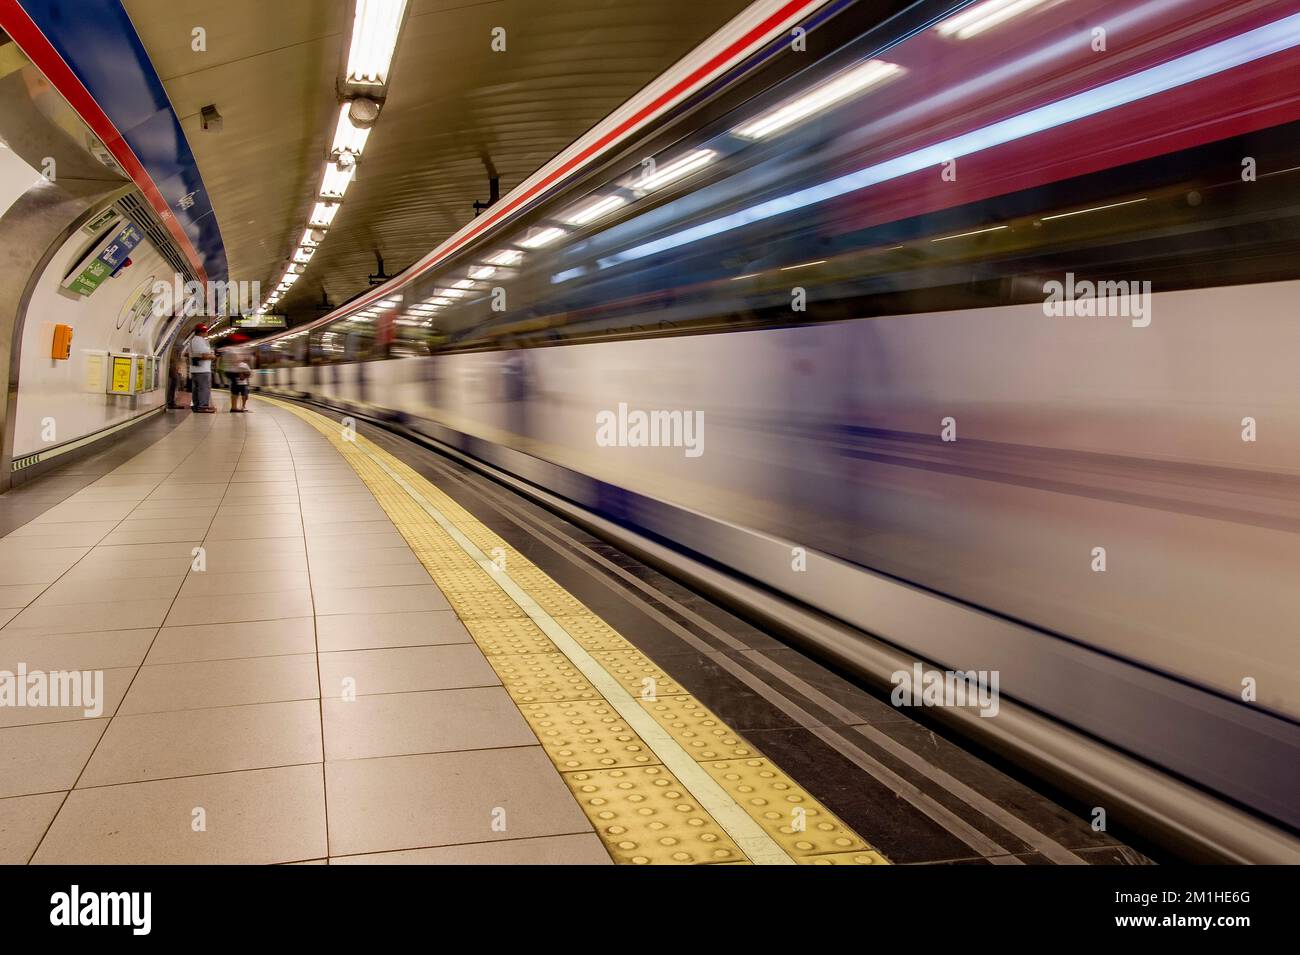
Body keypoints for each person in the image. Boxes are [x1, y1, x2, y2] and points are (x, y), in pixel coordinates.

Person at [182, 323, 217, 413]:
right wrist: (212, 356)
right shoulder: (199, 341)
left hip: (196, 369)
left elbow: (188, 354)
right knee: (204, 388)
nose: (207, 333)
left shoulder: (193, 340)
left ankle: (197, 406)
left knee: (197, 389)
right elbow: (201, 355)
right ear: (202, 332)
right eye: (206, 331)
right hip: (202, 370)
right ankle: (202, 406)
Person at [165, 343, 186, 410]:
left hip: (174, 371)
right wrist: (176, 367)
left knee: (173, 387)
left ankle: (171, 402)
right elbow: (172, 361)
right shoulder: (173, 351)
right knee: (172, 387)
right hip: (172, 371)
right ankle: (170, 402)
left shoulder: (175, 351)